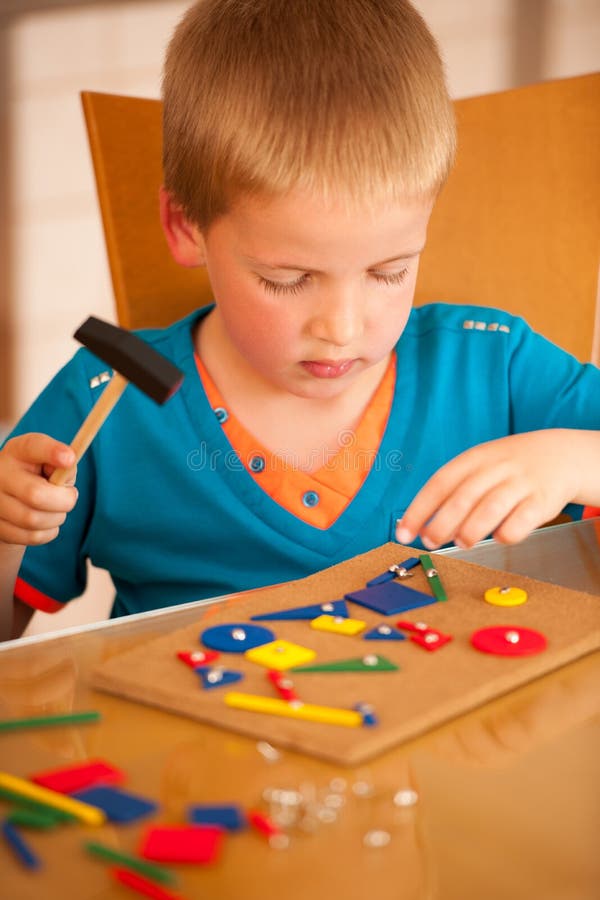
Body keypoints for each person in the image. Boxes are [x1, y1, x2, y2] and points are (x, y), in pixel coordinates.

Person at [1, 0, 599, 642]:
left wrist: (576, 459)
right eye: (287, 279)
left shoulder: (495, 366)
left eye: (389, 271)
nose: (342, 328)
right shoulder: (105, 398)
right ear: (185, 226)